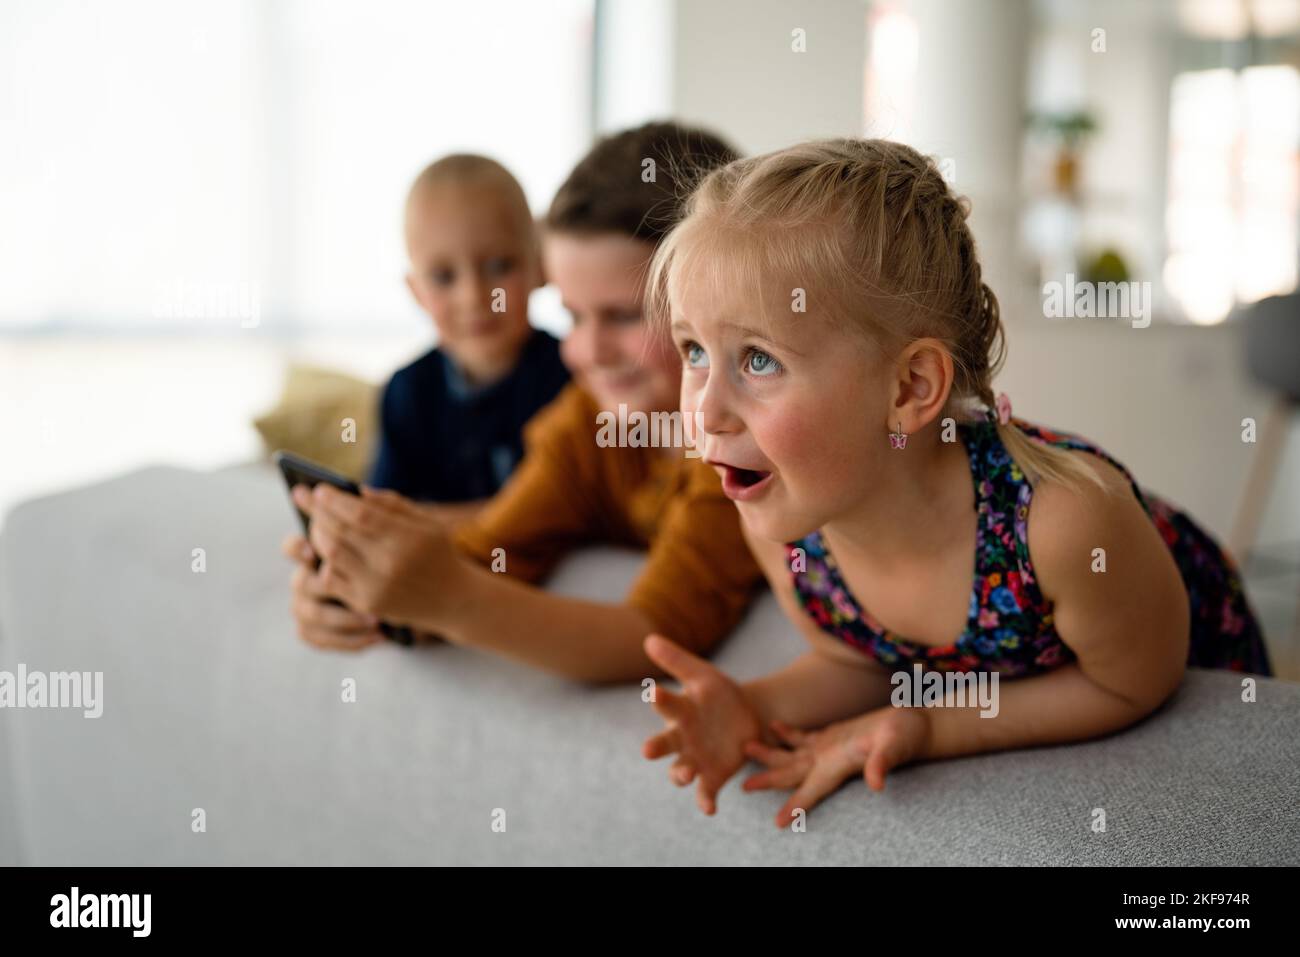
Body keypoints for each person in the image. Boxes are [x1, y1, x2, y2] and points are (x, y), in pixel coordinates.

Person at [638, 137, 1272, 823]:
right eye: (695, 350)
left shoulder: (1065, 525)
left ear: (910, 387)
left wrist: (930, 726)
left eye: (758, 359)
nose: (703, 410)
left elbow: (1131, 681)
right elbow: (862, 658)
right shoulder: (781, 516)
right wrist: (755, 704)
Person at [283, 122, 764, 683]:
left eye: (624, 315)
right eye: (574, 315)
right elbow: (495, 549)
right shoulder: (584, 423)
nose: (585, 350)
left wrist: (447, 599)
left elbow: (653, 639)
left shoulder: (743, 448)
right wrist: (363, 591)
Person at [369, 154, 569, 521]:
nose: (473, 296)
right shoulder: (405, 391)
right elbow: (385, 511)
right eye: (444, 276)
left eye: (498, 266)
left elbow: (551, 513)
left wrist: (430, 521)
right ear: (416, 292)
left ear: (540, 266)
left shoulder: (570, 379)